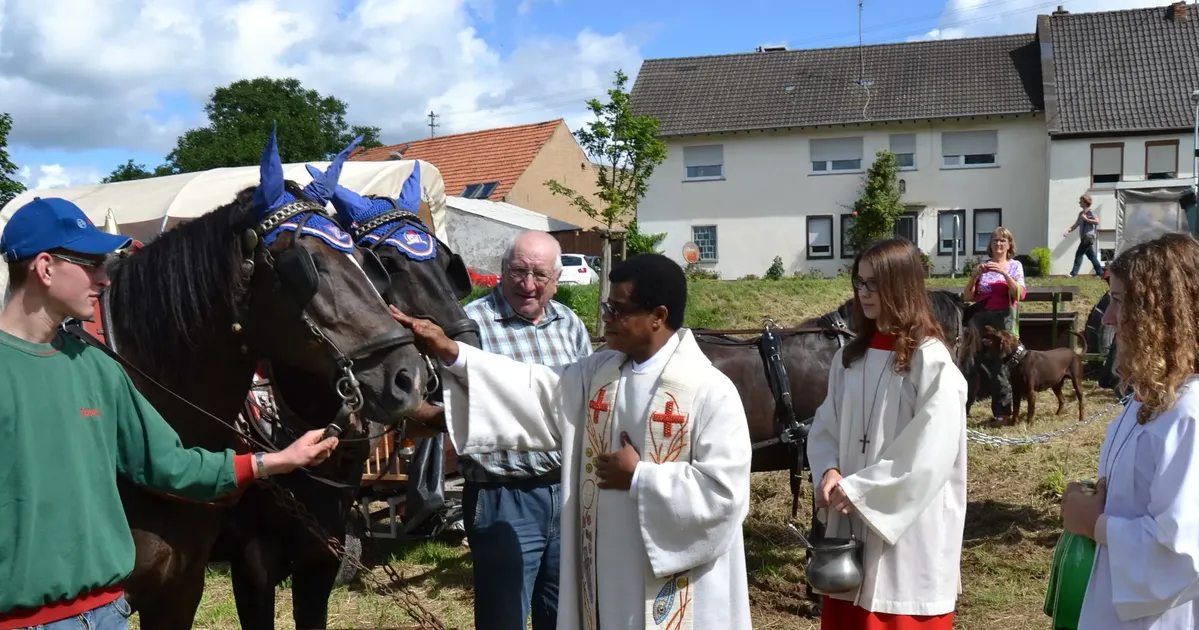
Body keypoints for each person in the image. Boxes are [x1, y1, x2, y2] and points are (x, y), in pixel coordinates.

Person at [0, 197, 339, 630]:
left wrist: (275, 461)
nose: (106, 278)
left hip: (107, 615)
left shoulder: (99, 367)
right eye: (91, 263)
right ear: (45, 267)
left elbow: (168, 464)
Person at [394, 253, 753, 630]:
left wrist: (641, 478)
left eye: (617, 309)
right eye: (606, 306)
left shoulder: (710, 391)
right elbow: (535, 389)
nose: (605, 319)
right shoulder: (601, 371)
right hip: (605, 568)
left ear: (658, 317)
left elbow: (726, 493)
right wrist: (451, 351)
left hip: (675, 577)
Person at [806, 238, 969, 630]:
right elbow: (825, 424)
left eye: (873, 284)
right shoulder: (850, 358)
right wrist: (828, 470)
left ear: (902, 286)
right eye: (858, 283)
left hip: (907, 536)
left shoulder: (930, 361)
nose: (863, 293)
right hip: (849, 528)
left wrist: (861, 490)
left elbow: (930, 454)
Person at [1061, 232, 1199, 629]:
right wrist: (1092, 499)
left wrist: (1094, 524)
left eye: (1119, 302)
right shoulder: (1152, 398)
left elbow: (1180, 552)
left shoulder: (1190, 414)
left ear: (1163, 313)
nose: (1107, 318)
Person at [459, 231, 592, 630]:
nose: (528, 285)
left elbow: (586, 398)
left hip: (566, 493)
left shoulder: (569, 323)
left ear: (556, 279)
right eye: (518, 271)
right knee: (504, 617)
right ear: (502, 271)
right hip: (503, 495)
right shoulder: (472, 325)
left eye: (540, 275)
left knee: (565, 613)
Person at [963, 226, 1026, 423]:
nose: (998, 244)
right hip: (980, 318)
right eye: (995, 240)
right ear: (990, 245)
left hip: (1002, 320)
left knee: (1000, 366)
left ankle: (1002, 413)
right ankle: (963, 410)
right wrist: (974, 276)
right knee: (972, 363)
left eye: (1002, 241)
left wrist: (1005, 274)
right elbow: (968, 296)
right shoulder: (982, 265)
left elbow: (1020, 294)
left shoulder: (1015, 266)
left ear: (1009, 245)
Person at [1063, 194, 1105, 278]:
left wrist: (1087, 219)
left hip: (1088, 237)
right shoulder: (1081, 214)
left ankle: (1073, 274)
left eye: (1081, 201)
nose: (1079, 203)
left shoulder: (1091, 212)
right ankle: (1100, 273)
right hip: (1084, 238)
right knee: (1091, 256)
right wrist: (1068, 231)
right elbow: (1076, 224)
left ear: (1085, 202)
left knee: (1079, 255)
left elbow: (1097, 221)